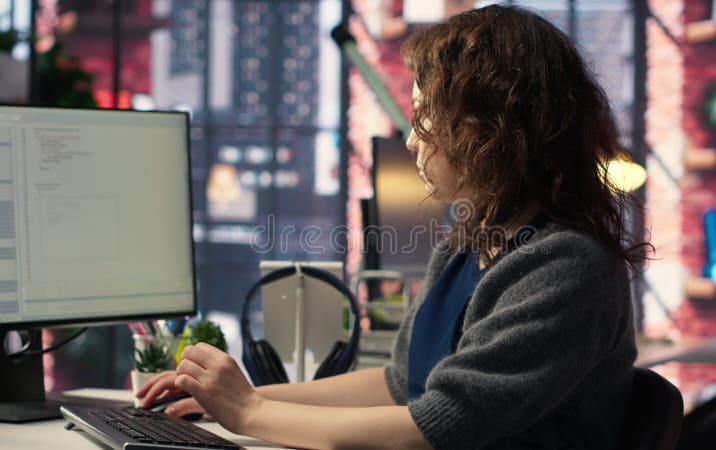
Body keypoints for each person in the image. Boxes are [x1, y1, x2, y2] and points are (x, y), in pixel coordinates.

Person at [137, 5, 651, 449]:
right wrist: (228, 399)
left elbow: (435, 428)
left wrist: (249, 412)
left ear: (488, 130)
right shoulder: (468, 241)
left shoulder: (564, 267)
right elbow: (397, 383)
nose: (411, 141)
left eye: (426, 118)